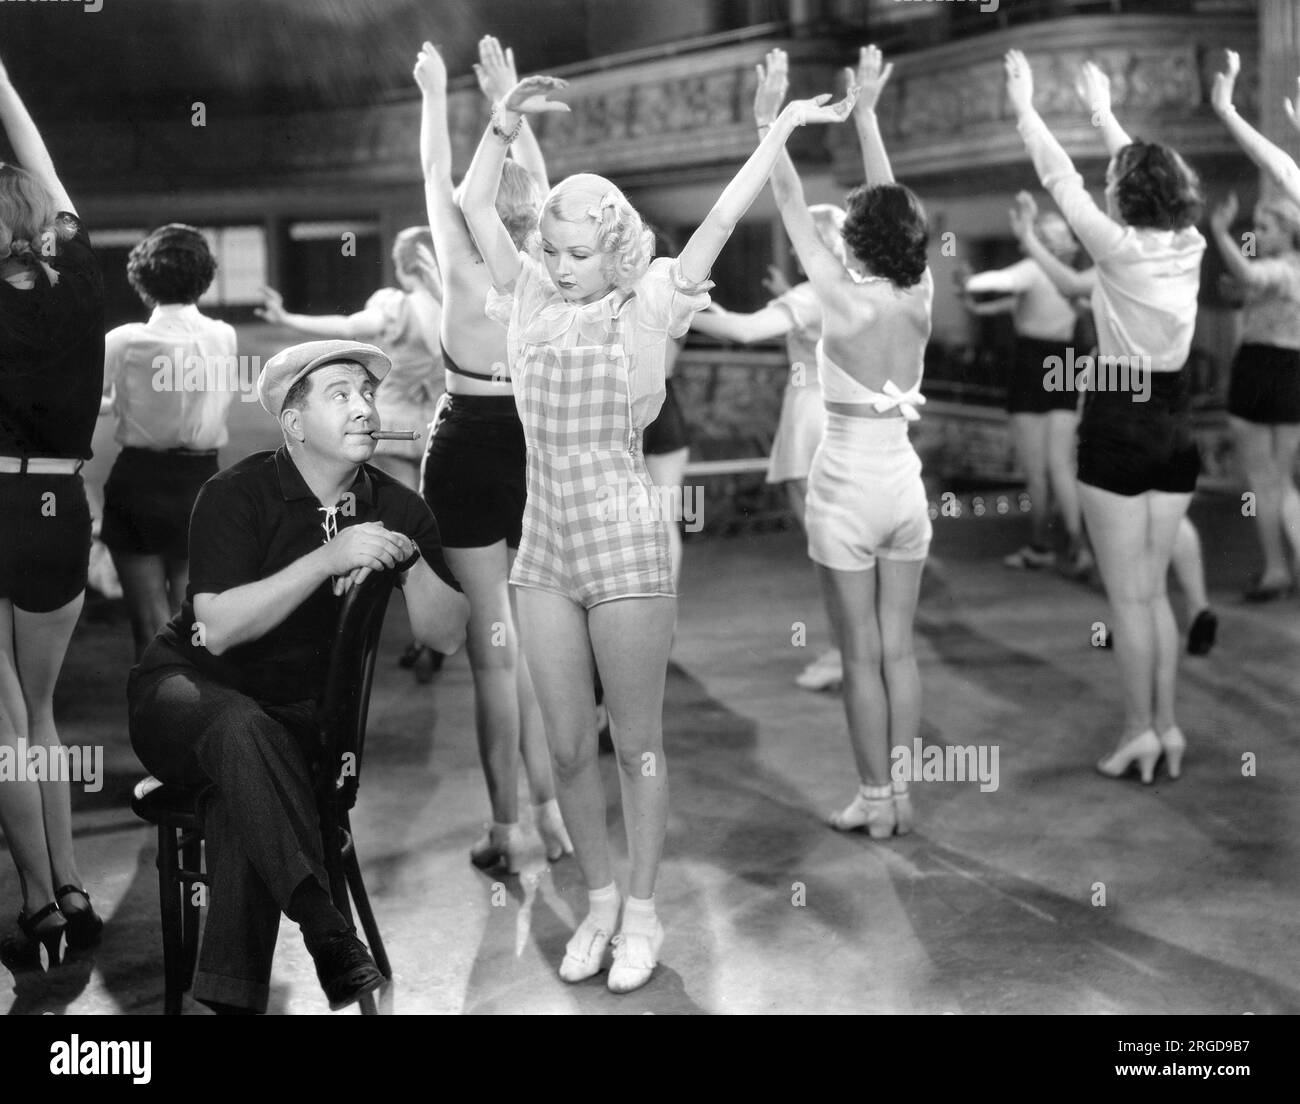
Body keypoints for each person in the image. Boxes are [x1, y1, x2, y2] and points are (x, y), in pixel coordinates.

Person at [460, 64, 857, 992]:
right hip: (544, 546)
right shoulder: (526, 298)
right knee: (564, 748)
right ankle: (597, 899)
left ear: (619, 248)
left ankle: (642, 909)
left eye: (576, 252)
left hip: (627, 542)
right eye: (550, 248)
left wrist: (781, 129)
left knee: (635, 742)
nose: (558, 265)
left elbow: (722, 214)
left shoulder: (652, 301)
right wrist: (501, 123)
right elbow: (477, 204)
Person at [127, 340, 469, 1013]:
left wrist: (413, 563)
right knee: (242, 730)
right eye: (340, 394)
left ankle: (230, 998)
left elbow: (447, 635)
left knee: (242, 792)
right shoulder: (235, 494)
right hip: (181, 693)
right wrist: (327, 558)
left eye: (368, 394)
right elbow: (217, 627)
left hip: (288, 726)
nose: (364, 407)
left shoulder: (395, 504)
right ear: (293, 422)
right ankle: (326, 928)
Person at [1006, 52, 1204, 783]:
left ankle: (1137, 731)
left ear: (1124, 195)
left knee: (1129, 599)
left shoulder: (1115, 249)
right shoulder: (1192, 245)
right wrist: (1103, 112)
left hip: (1119, 419)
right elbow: (1144, 173)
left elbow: (1059, 175)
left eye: (1118, 183)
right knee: (1154, 593)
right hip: (1177, 423)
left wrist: (1029, 108)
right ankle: (1168, 727)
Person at [759, 47, 929, 837]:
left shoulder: (836, 293)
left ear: (853, 242)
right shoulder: (919, 291)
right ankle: (903, 793)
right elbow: (895, 204)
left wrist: (772, 122)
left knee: (859, 657)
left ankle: (875, 798)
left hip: (845, 492)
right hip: (906, 487)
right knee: (900, 652)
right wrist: (865, 115)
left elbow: (790, 200)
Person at [414, 37, 572, 873]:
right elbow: (537, 193)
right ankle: (554, 816)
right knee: (540, 653)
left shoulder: (460, 257)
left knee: (493, 656)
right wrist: (511, 106)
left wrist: (440, 95)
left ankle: (505, 829)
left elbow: (439, 168)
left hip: (468, 447)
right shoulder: (547, 268)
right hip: (536, 450)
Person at [0, 50, 106, 970]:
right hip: (57, 508)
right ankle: (71, 879)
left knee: (2, 731)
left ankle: (39, 903)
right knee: (41, 715)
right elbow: (40, 159)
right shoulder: (81, 275)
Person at [1008, 193, 1217, 656]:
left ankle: (1131, 624)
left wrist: (1028, 239)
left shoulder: (1117, 266)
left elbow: (1067, 282)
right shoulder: (1181, 257)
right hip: (1169, 398)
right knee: (1167, 515)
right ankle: (1198, 606)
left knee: (1125, 524)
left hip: (1122, 402)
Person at [690, 205, 855, 691]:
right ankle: (854, 648)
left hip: (811, 422)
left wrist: (675, 309)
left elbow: (745, 331)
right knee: (842, 550)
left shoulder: (813, 293)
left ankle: (847, 652)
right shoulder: (853, 290)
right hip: (836, 417)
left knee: (830, 553)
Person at [101, 224, 237, 658]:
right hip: (201, 482)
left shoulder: (123, 341)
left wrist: (120, 403)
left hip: (140, 480)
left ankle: (155, 720)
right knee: (196, 627)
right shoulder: (223, 335)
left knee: (149, 632)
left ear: (143, 280)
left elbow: (86, 401)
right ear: (204, 276)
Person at [1210, 50, 1300, 600]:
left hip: (1268, 368)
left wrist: (1221, 233)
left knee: (1267, 479)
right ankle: (1277, 568)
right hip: (1288, 365)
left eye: (1267, 221)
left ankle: (1275, 568)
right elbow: (1288, 173)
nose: (1258, 225)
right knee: (1279, 479)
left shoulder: (1284, 268)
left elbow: (1286, 172)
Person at [958, 208, 1092, 578]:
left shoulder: (1037, 271)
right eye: (1048, 235)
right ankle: (1070, 548)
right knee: (1058, 465)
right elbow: (985, 300)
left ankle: (1047, 545)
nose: (1056, 240)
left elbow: (993, 283)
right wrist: (967, 287)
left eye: (1059, 234)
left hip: (1037, 364)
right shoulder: (1071, 279)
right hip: (1062, 364)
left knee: (1042, 470)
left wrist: (968, 283)